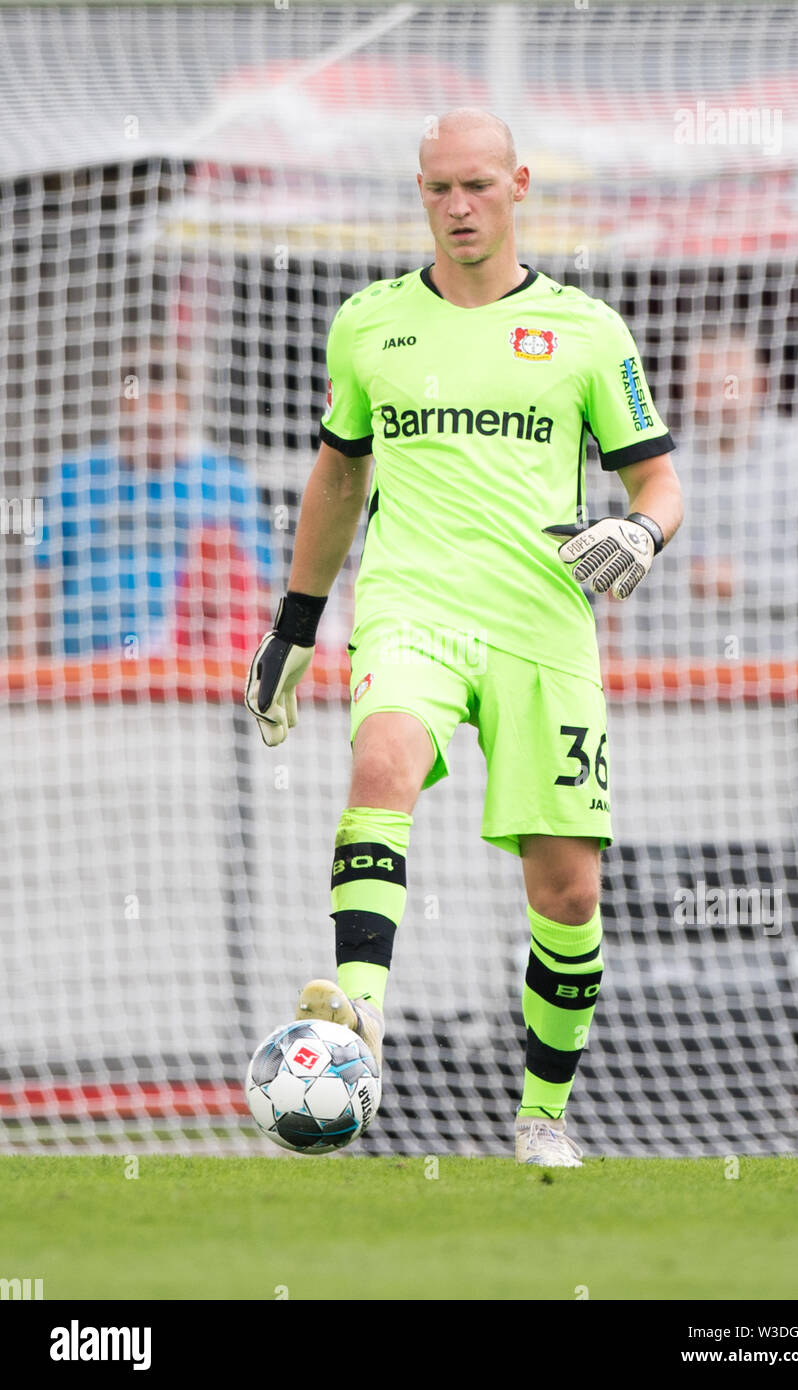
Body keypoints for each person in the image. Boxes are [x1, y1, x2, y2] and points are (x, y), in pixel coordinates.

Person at [245, 109, 683, 1167]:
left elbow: (658, 482)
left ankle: (540, 1114)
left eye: (478, 186)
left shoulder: (586, 330)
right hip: (413, 605)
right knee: (381, 759)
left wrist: (640, 528)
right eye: (438, 188)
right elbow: (339, 474)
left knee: (566, 889)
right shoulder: (368, 324)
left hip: (542, 624)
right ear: (419, 192)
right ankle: (358, 1017)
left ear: (519, 185)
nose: (458, 207)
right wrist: (295, 625)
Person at [597, 323, 798, 662]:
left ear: (760, 386)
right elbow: (628, 596)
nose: (721, 400)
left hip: (788, 682)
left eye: (731, 384)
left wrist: (744, 583)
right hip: (680, 686)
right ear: (686, 391)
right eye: (706, 386)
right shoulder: (661, 474)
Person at [18, 358, 272, 660]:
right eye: (147, 428)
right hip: (89, 676)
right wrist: (27, 672)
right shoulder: (73, 480)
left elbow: (259, 590)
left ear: (184, 409)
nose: (155, 440)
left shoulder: (228, 483)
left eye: (165, 428)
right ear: (124, 410)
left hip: (192, 679)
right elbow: (39, 585)